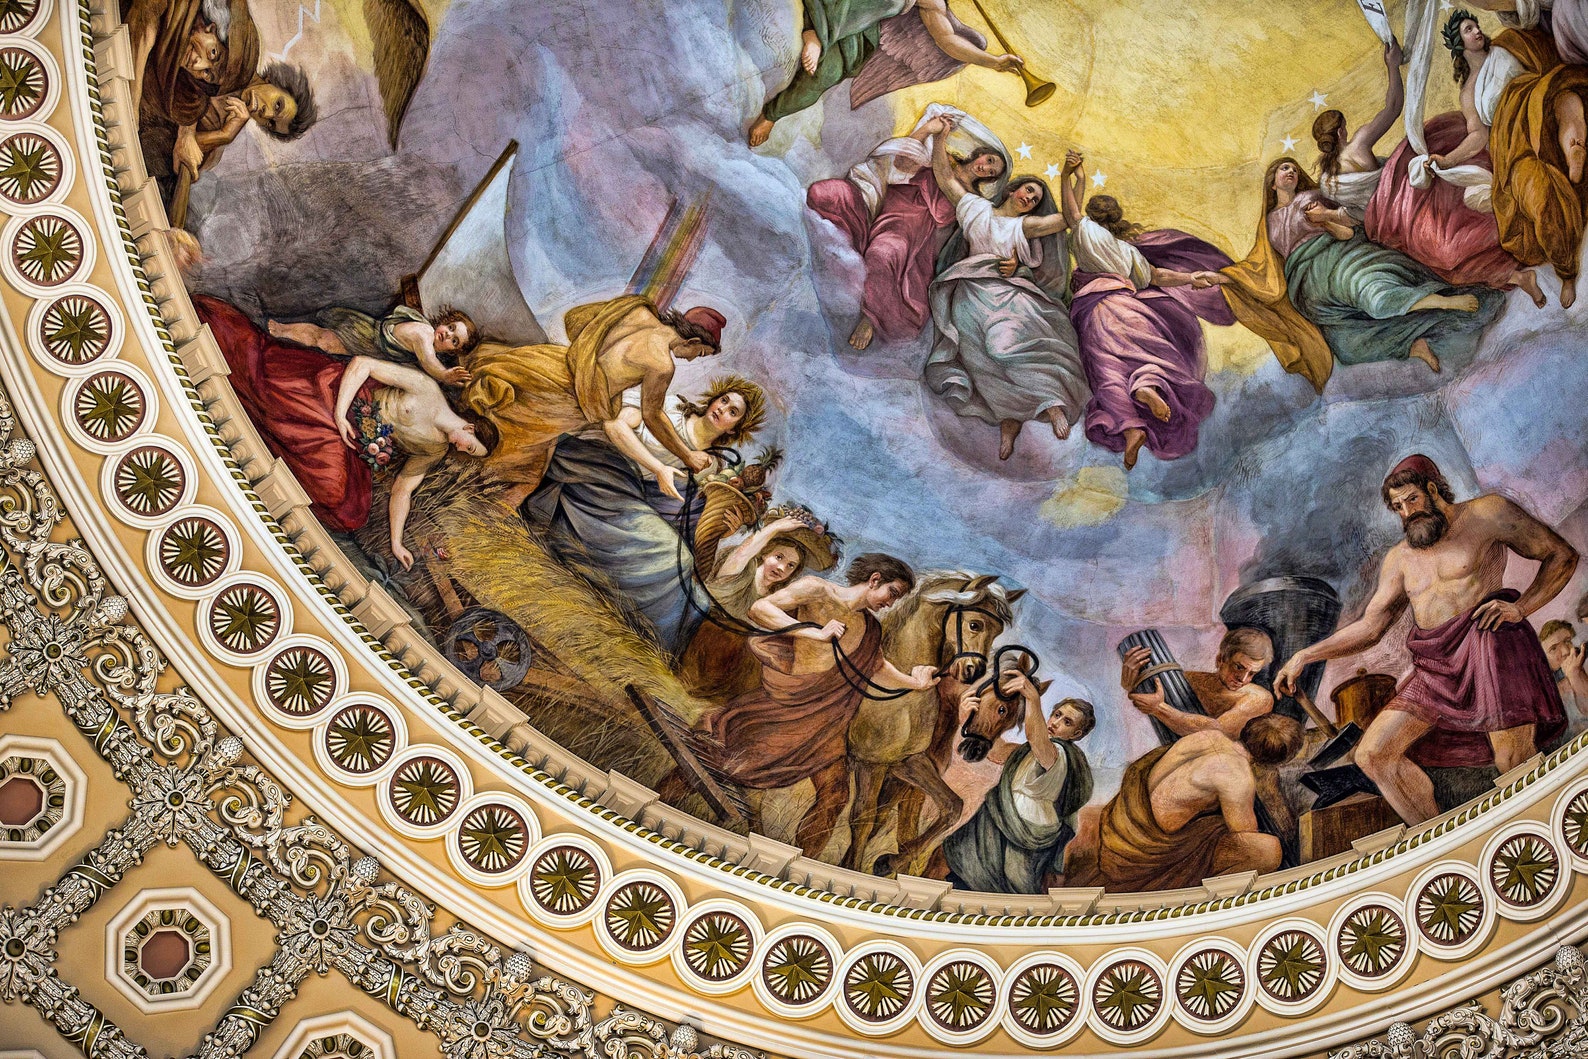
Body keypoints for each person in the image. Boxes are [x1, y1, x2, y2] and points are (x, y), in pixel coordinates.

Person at [1275, 454, 1576, 824]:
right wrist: (1306, 654)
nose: (1406, 513)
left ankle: (1534, 832)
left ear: (1433, 489)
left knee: (1512, 760)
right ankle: (1437, 836)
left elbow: (1560, 555)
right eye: (1398, 507)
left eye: (1412, 500)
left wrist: (1522, 608)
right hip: (1434, 667)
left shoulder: (1487, 514)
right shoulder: (1400, 559)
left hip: (1489, 646)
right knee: (1374, 755)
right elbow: (1372, 626)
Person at [191, 295, 498, 564]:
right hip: (342, 393)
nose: (461, 449)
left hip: (355, 436)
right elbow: (363, 364)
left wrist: (396, 542)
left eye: (468, 453)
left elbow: (403, 489)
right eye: (469, 445)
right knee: (270, 386)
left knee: (345, 506)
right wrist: (340, 414)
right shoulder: (429, 389)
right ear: (469, 428)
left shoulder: (435, 449)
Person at [700, 553, 938, 858]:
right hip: (786, 709)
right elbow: (761, 608)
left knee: (836, 795)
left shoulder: (871, 629)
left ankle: (798, 868)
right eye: (892, 593)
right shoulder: (816, 589)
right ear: (874, 580)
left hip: (825, 725)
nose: (891, 603)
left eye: (897, 599)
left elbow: (876, 666)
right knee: (721, 764)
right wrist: (813, 631)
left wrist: (913, 682)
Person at [520, 375, 767, 660]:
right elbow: (614, 425)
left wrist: (720, 531)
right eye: (724, 400)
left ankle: (643, 645)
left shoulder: (711, 467)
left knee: (693, 591)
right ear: (714, 398)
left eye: (733, 412)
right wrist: (658, 467)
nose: (723, 409)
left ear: (737, 427)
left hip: (630, 497)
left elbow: (678, 513)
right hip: (596, 465)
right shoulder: (670, 408)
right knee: (670, 555)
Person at [1207, 158, 1504, 388]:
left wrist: (1324, 218)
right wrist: (1222, 277)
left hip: (1336, 258)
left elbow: (1346, 231)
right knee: (1348, 347)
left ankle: (1440, 301)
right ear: (1272, 183)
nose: (1291, 172)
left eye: (1294, 168)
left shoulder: (1310, 197)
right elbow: (1257, 269)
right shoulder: (1268, 223)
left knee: (1373, 293)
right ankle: (1413, 345)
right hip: (1308, 289)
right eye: (1284, 169)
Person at [1058, 152, 1235, 470]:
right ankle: (1145, 386)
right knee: (1145, 359)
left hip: (1099, 310)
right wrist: (1192, 277)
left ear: (1094, 217)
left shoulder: (1086, 233)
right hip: (1134, 309)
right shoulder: (1130, 252)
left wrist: (1069, 176)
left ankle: (1131, 426)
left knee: (1107, 371)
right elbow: (1158, 276)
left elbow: (1070, 209)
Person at [460, 296, 726, 505]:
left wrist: (588, 359)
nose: (691, 359)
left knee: (491, 418)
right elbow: (652, 416)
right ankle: (463, 506)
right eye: (699, 353)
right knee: (517, 459)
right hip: (564, 401)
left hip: (548, 363)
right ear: (691, 340)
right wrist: (686, 455)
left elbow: (574, 320)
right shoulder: (661, 365)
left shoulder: (637, 309)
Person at [925, 125, 1088, 461]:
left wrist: (1072, 178)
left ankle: (1050, 401)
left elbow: (1071, 220)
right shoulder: (975, 208)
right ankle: (1009, 419)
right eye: (1027, 191)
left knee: (1006, 347)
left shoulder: (1025, 227)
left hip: (1010, 295)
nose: (1029, 198)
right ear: (1012, 190)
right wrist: (940, 138)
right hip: (970, 291)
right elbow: (943, 175)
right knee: (981, 357)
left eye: (1035, 199)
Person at [807, 105, 1009, 349]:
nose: (986, 167)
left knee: (882, 255)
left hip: (907, 232)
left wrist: (940, 136)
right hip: (878, 206)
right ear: (979, 153)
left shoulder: (970, 197)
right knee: (823, 193)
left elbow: (946, 180)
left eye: (992, 171)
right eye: (989, 160)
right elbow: (902, 162)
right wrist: (927, 130)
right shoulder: (942, 155)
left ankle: (870, 317)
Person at [1431, 11, 1588, 307]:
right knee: (1540, 198)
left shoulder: (1508, 44)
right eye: (1468, 29)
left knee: (1560, 92)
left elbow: (1545, 56)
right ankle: (1567, 272)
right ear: (1458, 44)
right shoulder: (1469, 93)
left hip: (1539, 104)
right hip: (1514, 145)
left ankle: (1574, 150)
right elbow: (1478, 136)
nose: (1477, 31)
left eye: (1476, 25)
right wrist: (1449, 160)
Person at [1065, 714, 1303, 892]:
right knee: (1269, 850)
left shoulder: (1209, 737)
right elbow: (1244, 832)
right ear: (1275, 761)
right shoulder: (1238, 775)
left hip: (1123, 823)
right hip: (1143, 850)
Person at [747, 0, 1024, 147]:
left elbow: (948, 40)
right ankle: (816, 32)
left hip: (847, 29)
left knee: (826, 73)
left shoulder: (932, 2)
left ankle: (772, 114)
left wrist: (993, 62)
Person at [939, 674, 1095, 894]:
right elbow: (993, 747)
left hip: (1029, 831)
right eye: (1057, 715)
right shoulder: (1029, 750)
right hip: (1003, 819)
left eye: (1067, 722)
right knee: (968, 860)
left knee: (1018, 885)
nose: (1057, 723)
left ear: (1076, 734)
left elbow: (1035, 735)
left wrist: (1032, 698)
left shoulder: (1058, 754)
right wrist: (965, 716)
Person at [678, 509, 839, 700]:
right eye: (779, 557)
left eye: (791, 565)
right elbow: (742, 552)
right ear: (764, 553)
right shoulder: (743, 570)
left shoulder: (776, 597)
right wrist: (777, 527)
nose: (781, 568)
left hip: (735, 654)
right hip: (704, 632)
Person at [138, 63, 317, 211]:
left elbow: (180, 153)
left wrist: (224, 136)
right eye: (277, 105)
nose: (266, 113)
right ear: (274, 82)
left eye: (271, 123)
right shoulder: (234, 58)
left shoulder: (230, 126)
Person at [1120, 627, 1275, 740]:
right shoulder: (1191, 680)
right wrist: (1131, 682)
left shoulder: (1258, 698)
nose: (1243, 678)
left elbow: (1216, 731)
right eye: (1238, 667)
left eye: (1252, 673)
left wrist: (1159, 708)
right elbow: (1146, 696)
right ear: (1220, 660)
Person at [269, 304, 479, 387]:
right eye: (450, 327)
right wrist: (444, 375)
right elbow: (429, 361)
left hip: (369, 346)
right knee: (322, 339)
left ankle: (283, 333)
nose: (447, 335)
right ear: (444, 322)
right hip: (363, 333)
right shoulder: (424, 333)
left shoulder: (427, 343)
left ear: (455, 350)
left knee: (324, 343)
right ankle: (281, 330)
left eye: (454, 340)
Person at [1313, 40, 1407, 224]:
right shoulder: (1358, 144)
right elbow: (1393, 107)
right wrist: (1392, 66)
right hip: (1399, 206)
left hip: (1380, 224)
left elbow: (1357, 212)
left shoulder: (1327, 182)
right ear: (1341, 132)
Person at [1540, 619, 1588, 727]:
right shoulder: (1546, 694)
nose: (1566, 651)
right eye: (1553, 649)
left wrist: (1575, 674)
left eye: (1567, 641)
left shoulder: (1583, 666)